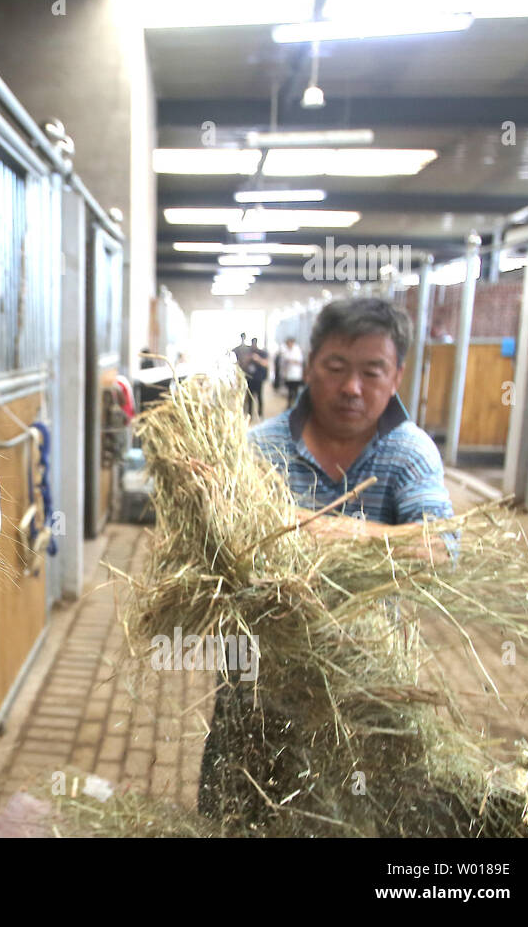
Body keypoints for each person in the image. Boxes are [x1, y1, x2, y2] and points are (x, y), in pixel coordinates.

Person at [197, 298, 455, 827]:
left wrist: (310, 528)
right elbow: (225, 548)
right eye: (336, 369)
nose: (352, 388)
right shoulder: (257, 449)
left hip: (367, 688)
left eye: (371, 371)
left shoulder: (410, 453)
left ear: (398, 375)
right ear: (309, 365)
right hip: (258, 685)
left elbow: (438, 547)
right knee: (240, 812)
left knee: (357, 819)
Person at [242, 337, 270, 418]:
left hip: (259, 378)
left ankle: (260, 414)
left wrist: (257, 359)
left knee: (259, 396)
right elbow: (244, 364)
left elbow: (266, 363)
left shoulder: (262, 353)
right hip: (250, 378)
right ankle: (250, 414)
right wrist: (248, 359)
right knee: (250, 398)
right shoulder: (248, 353)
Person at [279, 336, 305, 405]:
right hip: (288, 375)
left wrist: (291, 361)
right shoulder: (286, 351)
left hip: (296, 375)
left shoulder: (297, 350)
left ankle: (295, 405)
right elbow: (283, 362)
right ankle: (289, 404)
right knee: (290, 391)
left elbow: (300, 362)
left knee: (295, 391)